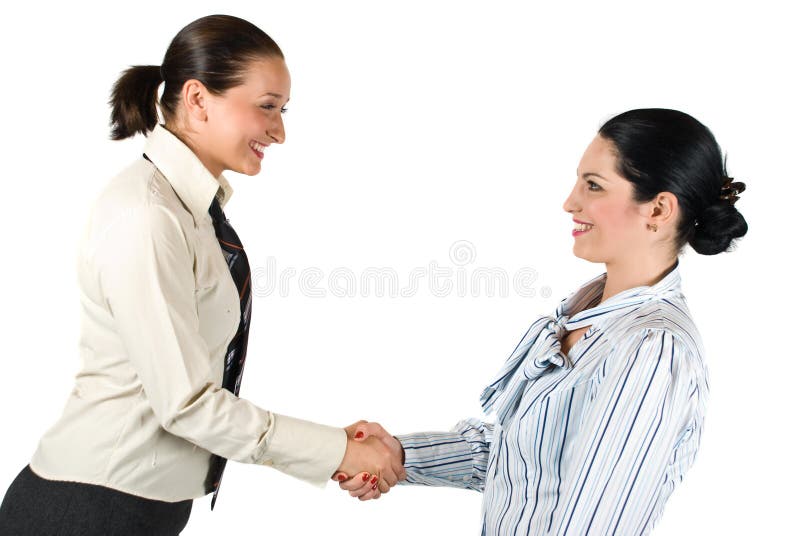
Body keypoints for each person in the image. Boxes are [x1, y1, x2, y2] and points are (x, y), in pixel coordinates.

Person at [0, 14, 402, 536]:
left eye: (282, 111)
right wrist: (336, 451)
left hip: (142, 508)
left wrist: (338, 448)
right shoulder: (147, 216)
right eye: (267, 108)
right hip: (89, 509)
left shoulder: (188, 212)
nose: (279, 131)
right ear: (196, 99)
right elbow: (187, 405)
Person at [336, 108, 748, 534]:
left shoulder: (653, 349)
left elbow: (592, 524)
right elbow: (523, 463)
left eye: (594, 185)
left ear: (659, 210)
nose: (570, 203)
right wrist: (399, 455)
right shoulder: (583, 314)